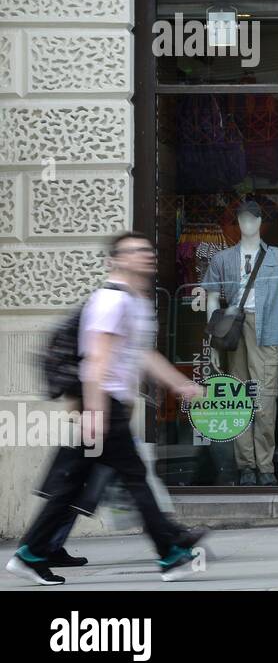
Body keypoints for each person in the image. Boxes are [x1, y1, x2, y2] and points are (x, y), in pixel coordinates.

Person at [7, 232, 211, 586]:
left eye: (147, 249)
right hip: (101, 404)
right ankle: (171, 551)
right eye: (135, 251)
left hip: (106, 406)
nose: (145, 255)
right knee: (134, 480)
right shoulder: (110, 300)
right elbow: (96, 359)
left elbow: (143, 354)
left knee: (73, 485)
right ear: (115, 260)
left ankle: (31, 553)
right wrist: (97, 412)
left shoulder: (135, 301)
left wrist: (180, 384)